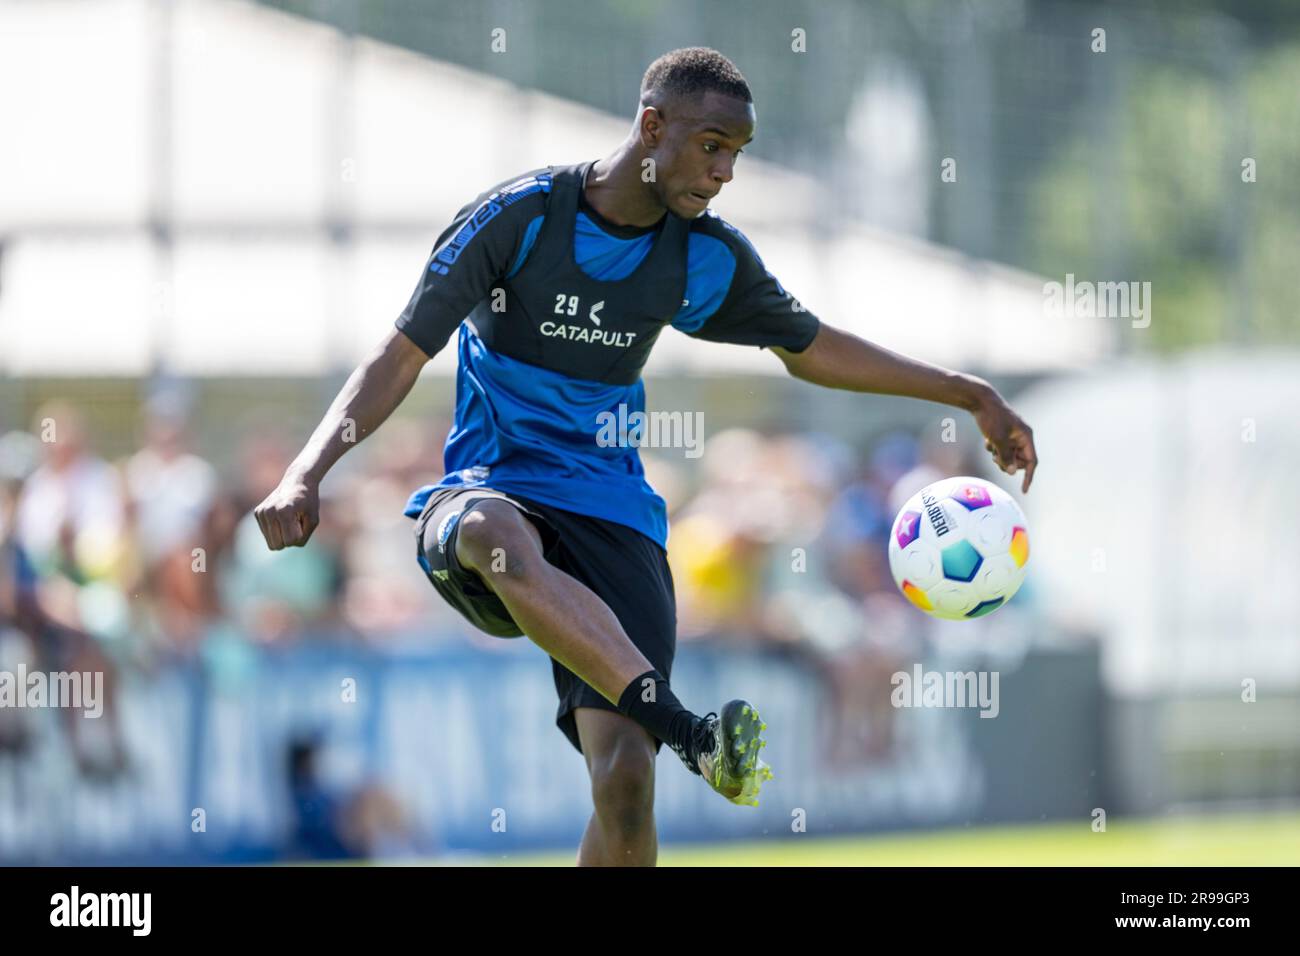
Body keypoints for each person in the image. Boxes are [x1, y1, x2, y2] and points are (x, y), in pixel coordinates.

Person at [253, 47, 1037, 866]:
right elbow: (401, 354)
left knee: (625, 785)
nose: (726, 169)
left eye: (738, 150)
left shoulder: (702, 256)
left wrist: (965, 392)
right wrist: (306, 471)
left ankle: (674, 737)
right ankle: (693, 731)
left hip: (611, 515)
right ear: (652, 126)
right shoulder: (520, 220)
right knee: (490, 529)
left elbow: (808, 348)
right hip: (488, 495)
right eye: (711, 144)